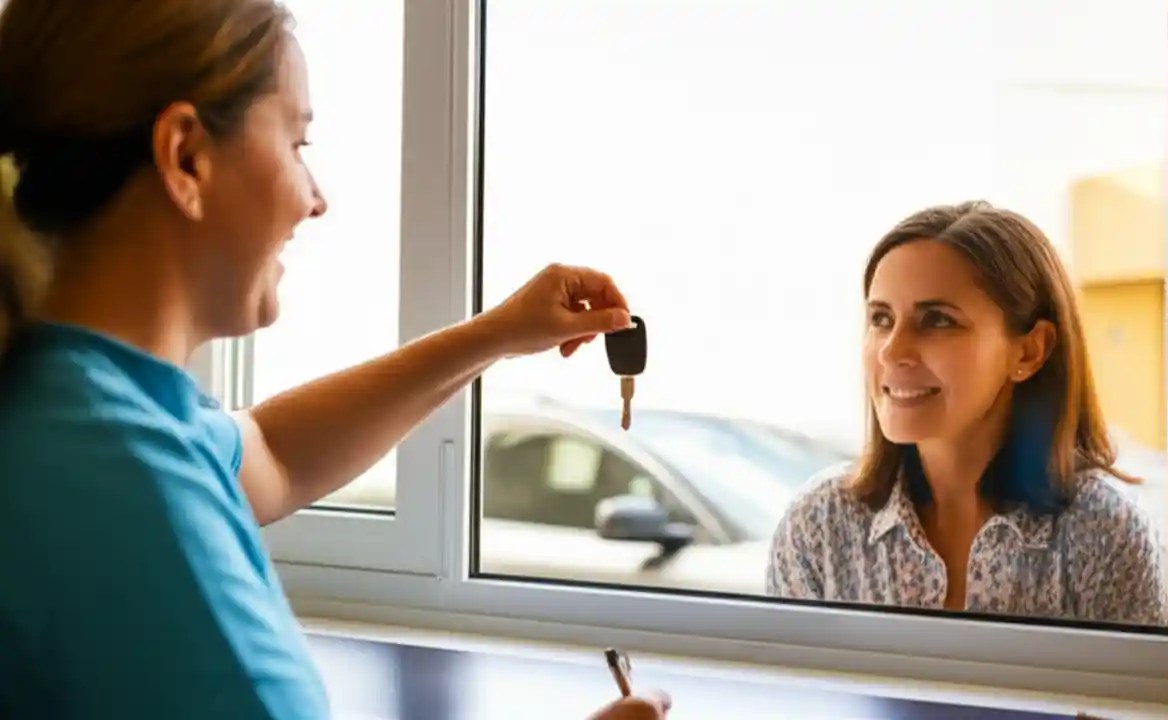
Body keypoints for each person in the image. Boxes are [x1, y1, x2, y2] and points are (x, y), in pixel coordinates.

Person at [0, 1, 668, 718]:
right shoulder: (125, 482)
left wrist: (497, 334)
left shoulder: (76, 402)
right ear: (186, 157)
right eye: (297, 144)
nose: (314, 200)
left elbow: (274, 452)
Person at [766, 201, 1168, 626]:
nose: (892, 350)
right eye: (881, 318)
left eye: (938, 321)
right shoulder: (817, 527)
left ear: (1030, 351)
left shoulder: (1103, 534)